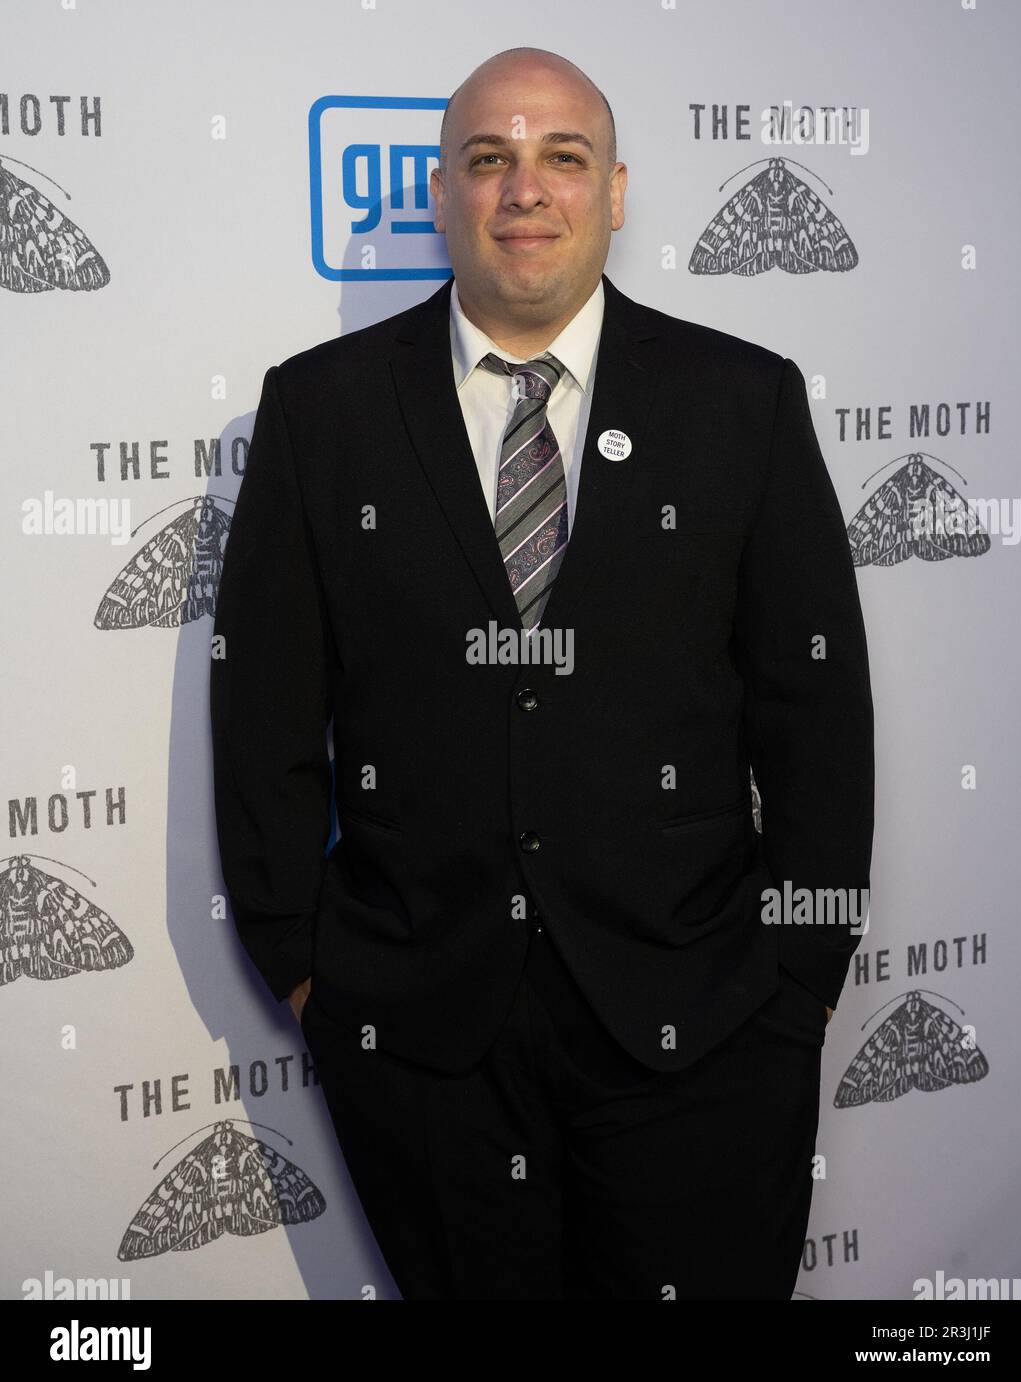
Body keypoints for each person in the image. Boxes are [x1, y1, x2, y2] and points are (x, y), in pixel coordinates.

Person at [209, 46, 874, 1300]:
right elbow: (265, 714)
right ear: (444, 196)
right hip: (423, 1037)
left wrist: (798, 981)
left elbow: (814, 711)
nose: (525, 188)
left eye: (561, 158)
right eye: (487, 160)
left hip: (706, 1022)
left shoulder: (741, 402)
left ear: (613, 192)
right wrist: (304, 963)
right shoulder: (321, 412)